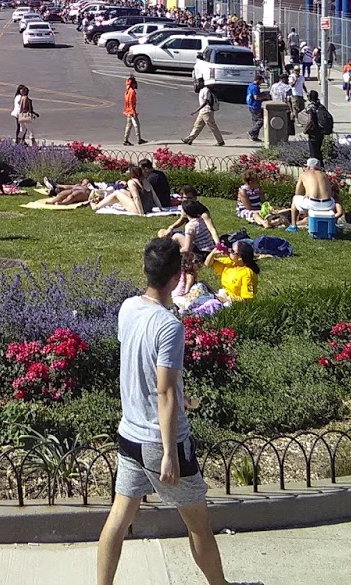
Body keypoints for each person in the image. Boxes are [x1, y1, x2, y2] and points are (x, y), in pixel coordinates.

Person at [96, 238, 226, 585]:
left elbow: (140, 365)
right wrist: (170, 453)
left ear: (145, 271)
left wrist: (179, 397)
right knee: (198, 524)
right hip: (161, 442)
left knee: (119, 518)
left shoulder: (128, 308)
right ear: (176, 278)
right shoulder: (170, 326)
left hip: (130, 436)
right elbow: (164, 390)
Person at [160, 195, 220, 292]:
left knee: (176, 237)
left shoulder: (190, 226)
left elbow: (187, 249)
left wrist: (174, 252)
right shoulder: (201, 219)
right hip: (209, 249)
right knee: (177, 236)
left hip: (201, 254)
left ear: (186, 212)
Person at [290, 157, 341, 230]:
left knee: (295, 198)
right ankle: (332, 225)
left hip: (312, 203)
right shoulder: (324, 175)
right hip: (328, 205)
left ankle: (293, 226)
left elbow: (298, 193)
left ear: (308, 166)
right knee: (331, 199)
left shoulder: (304, 174)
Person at [182, 79, 224, 147]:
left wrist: (196, 110)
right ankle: (190, 139)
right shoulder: (202, 90)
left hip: (207, 111)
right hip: (203, 112)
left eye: (198, 82)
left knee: (212, 126)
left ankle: (220, 141)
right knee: (197, 125)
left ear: (202, 82)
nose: (197, 84)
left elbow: (206, 102)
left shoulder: (206, 90)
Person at [302, 92, 333, 160]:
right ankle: (320, 166)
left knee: (313, 152)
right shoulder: (320, 106)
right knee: (318, 151)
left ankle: (315, 167)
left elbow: (310, 120)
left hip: (313, 132)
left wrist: (305, 130)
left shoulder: (310, 107)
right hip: (321, 131)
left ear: (310, 97)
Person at [122, 75, 143, 146]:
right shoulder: (132, 92)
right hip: (131, 112)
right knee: (136, 125)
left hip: (128, 111)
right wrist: (133, 112)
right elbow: (131, 102)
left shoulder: (127, 91)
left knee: (129, 125)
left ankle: (125, 140)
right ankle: (139, 139)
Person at [245, 74, 264, 141]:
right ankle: (252, 132)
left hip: (250, 105)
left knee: (255, 121)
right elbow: (256, 97)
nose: (262, 83)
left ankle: (254, 136)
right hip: (255, 105)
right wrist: (264, 97)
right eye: (261, 81)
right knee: (260, 120)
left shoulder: (250, 85)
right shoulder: (255, 87)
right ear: (258, 80)